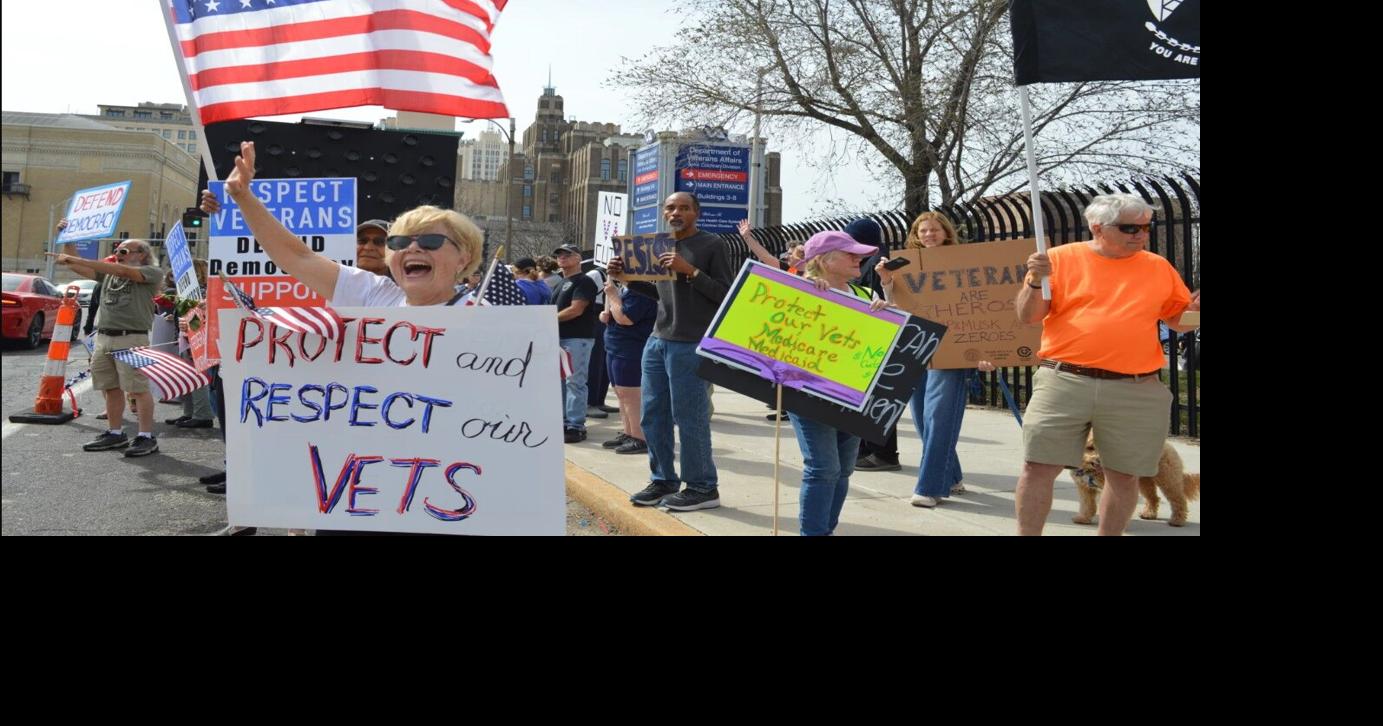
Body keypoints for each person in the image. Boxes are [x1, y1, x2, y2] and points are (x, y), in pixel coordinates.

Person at [1013, 193, 1200, 536]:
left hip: (1135, 386)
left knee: (1125, 473)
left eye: (1146, 227)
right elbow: (1029, 316)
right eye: (1130, 227)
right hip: (1063, 379)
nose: (1141, 234)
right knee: (1037, 467)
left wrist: (1196, 312)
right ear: (1097, 227)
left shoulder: (1157, 266)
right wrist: (1034, 281)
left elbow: (1177, 319)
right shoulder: (1058, 259)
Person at [607, 192, 733, 512]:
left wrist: (690, 270)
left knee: (689, 417)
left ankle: (703, 486)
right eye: (670, 207)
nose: (676, 212)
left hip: (692, 342)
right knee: (653, 415)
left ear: (696, 213)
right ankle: (663, 479)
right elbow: (660, 293)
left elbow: (726, 294)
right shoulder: (659, 245)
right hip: (658, 339)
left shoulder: (711, 245)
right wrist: (627, 278)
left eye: (683, 208)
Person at [876, 212, 992, 507]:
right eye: (923, 230)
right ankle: (951, 476)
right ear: (916, 234)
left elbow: (982, 306)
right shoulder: (906, 264)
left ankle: (930, 487)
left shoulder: (964, 261)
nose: (929, 234)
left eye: (934, 230)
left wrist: (983, 350)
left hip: (953, 350)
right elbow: (898, 305)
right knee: (922, 420)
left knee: (939, 418)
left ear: (946, 232)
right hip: (917, 349)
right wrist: (886, 280)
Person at [789, 231, 891, 535]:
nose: (859, 258)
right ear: (824, 259)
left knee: (843, 470)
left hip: (851, 394)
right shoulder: (797, 290)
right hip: (808, 393)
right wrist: (806, 297)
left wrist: (886, 314)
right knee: (823, 468)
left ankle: (826, 530)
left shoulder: (863, 295)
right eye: (850, 253)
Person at [49, 239, 166, 457]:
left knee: (138, 388)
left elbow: (123, 270)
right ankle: (115, 432)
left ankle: (146, 436)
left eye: (123, 251)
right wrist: (69, 241)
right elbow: (76, 266)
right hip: (104, 336)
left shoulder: (151, 272)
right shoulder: (109, 275)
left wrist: (75, 258)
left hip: (131, 338)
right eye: (116, 250)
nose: (117, 254)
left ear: (141, 254)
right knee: (110, 387)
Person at [840, 217, 903, 472]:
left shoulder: (878, 263)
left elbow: (883, 299)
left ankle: (883, 453)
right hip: (872, 337)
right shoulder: (872, 260)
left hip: (876, 338)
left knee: (876, 397)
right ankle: (868, 448)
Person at [598, 276, 657, 455]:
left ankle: (640, 438)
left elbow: (626, 318)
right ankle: (628, 432)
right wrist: (607, 311)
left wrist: (613, 296)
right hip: (616, 346)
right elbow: (614, 315)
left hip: (631, 348)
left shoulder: (642, 291)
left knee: (631, 395)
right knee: (621, 393)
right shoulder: (625, 289)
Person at [551, 243, 599, 442]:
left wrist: (547, 319)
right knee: (561, 382)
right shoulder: (559, 283)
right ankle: (563, 420)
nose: (562, 258)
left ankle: (576, 425)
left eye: (567, 255)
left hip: (576, 338)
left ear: (579, 258)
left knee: (575, 381)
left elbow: (576, 309)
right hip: (559, 337)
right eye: (559, 255)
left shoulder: (584, 281)